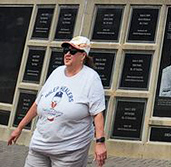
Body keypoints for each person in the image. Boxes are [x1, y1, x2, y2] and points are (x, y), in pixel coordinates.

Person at [7, 35, 106, 167]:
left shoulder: (91, 78)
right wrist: (19, 127)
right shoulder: (57, 72)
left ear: (83, 56)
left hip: (69, 151)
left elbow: (98, 113)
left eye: (73, 51)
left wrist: (100, 143)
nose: (68, 54)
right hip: (40, 145)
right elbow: (38, 103)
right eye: (66, 50)